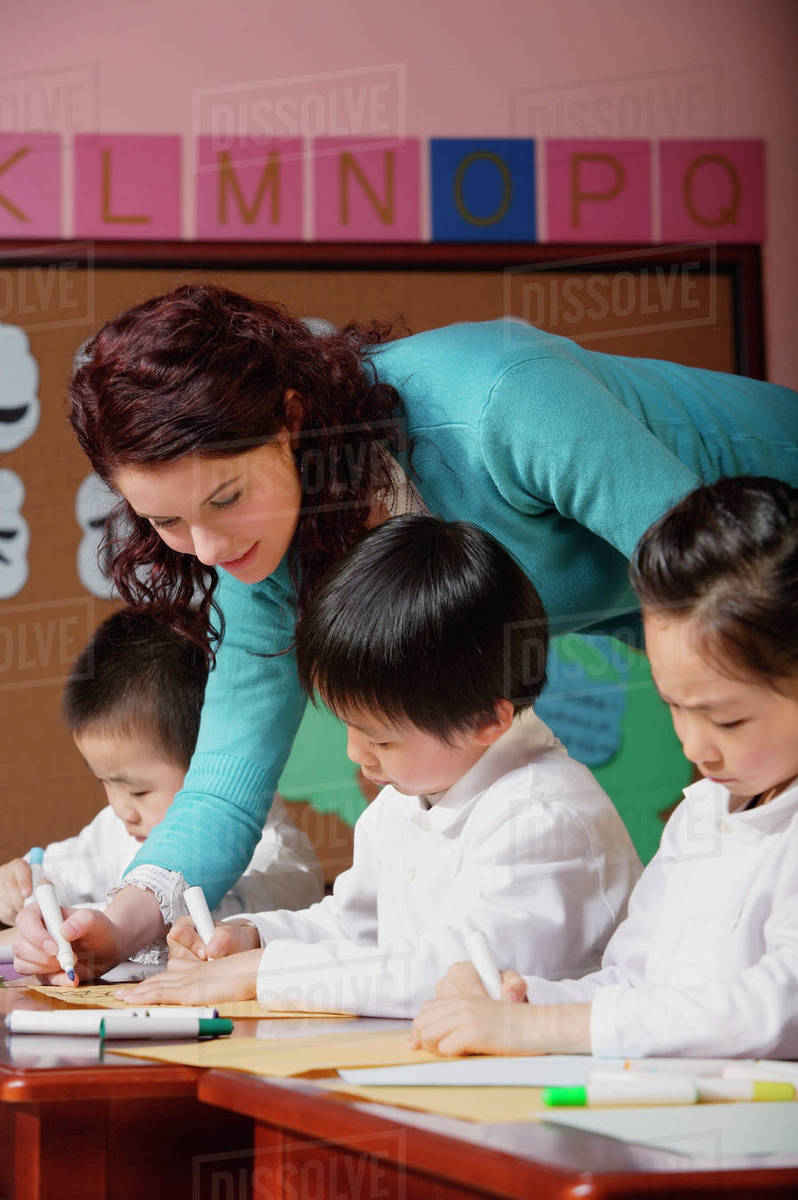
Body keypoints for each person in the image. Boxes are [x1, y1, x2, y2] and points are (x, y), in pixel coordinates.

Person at [14, 284, 798, 981]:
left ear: (289, 420)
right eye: (167, 521)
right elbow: (222, 781)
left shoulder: (503, 403)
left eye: (225, 497)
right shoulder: (264, 552)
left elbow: (715, 590)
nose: (211, 549)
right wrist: (116, 926)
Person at [118, 517, 641, 1015]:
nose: (355, 754)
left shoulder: (544, 816)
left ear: (487, 720)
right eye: (349, 726)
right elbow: (359, 930)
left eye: (381, 740)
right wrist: (253, 938)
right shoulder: (409, 796)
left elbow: (456, 974)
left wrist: (265, 973)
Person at [412, 477, 798, 1060]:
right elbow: (634, 983)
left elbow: (775, 1007)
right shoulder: (704, 814)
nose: (697, 748)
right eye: (673, 705)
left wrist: (543, 1031)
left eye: (727, 720)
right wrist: (521, 1003)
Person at [5, 609, 322, 980]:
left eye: (139, 789)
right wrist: (20, 887)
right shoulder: (116, 828)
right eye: (105, 782)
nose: (121, 808)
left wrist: (91, 923)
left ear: (211, 766)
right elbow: (51, 874)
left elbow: (217, 927)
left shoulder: (279, 863)